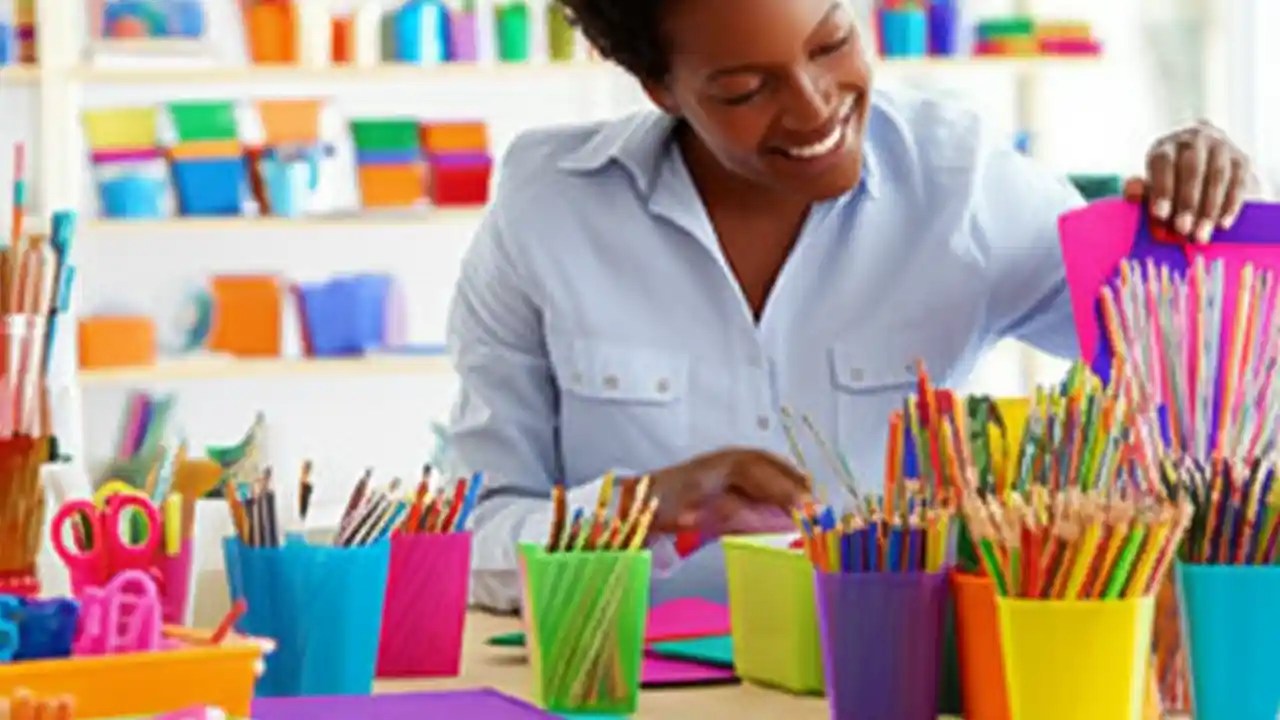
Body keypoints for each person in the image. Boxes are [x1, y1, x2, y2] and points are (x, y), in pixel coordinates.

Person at [446, 0, 1259, 611]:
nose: (813, 108)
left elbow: (1207, 389)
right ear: (660, 87)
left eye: (831, 42)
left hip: (890, 685)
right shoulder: (548, 212)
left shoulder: (958, 182)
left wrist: (1215, 230)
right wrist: (643, 506)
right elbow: (464, 546)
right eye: (743, 89)